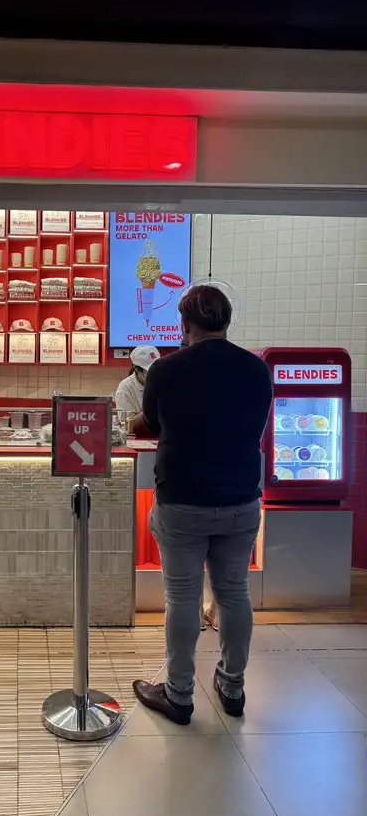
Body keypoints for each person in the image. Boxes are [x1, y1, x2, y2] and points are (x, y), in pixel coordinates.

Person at [132, 285, 272, 725]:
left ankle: (178, 695)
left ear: (184, 324)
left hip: (182, 500)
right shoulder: (256, 369)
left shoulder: (166, 369)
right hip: (240, 499)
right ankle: (232, 687)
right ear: (226, 322)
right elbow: (255, 425)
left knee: (182, 597)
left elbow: (151, 424)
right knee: (234, 593)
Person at [114, 346, 160, 422]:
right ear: (137, 369)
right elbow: (127, 422)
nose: (155, 373)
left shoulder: (164, 382)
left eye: (157, 369)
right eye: (150, 370)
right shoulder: (125, 388)